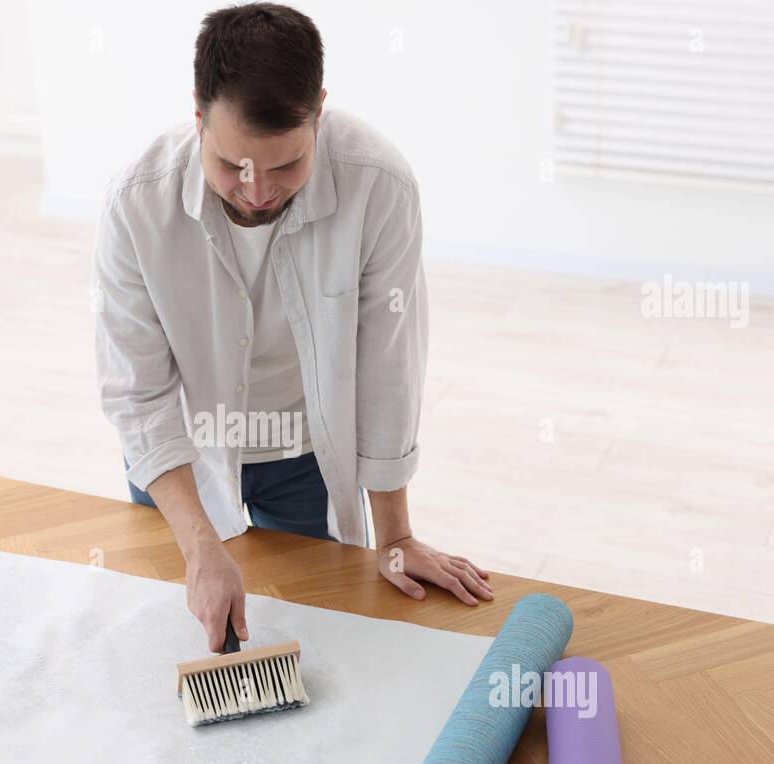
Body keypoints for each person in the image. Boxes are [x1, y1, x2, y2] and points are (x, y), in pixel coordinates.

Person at [94, 3, 492, 652]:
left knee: (323, 635)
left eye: (285, 168)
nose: (257, 192)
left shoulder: (379, 186)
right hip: (180, 455)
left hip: (303, 451)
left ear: (319, 113)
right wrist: (200, 545)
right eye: (232, 166)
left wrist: (393, 537)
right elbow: (137, 392)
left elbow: (387, 365)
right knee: (172, 632)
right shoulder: (136, 203)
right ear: (198, 117)